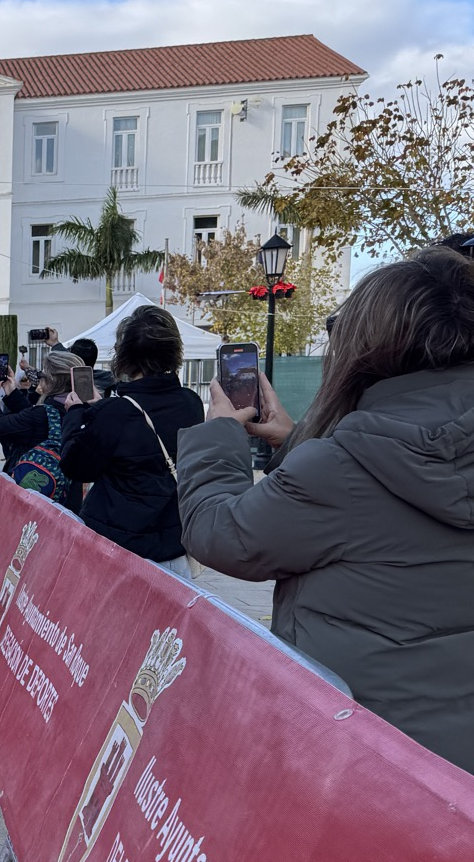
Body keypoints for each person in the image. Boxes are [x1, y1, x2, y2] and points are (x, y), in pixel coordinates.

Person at [177, 247, 474, 770]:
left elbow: (220, 532)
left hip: (368, 762)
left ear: (365, 348)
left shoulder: (339, 470)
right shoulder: (338, 466)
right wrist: (295, 444)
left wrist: (219, 431)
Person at [59, 305, 204, 574]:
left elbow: (75, 465)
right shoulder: (191, 404)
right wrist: (99, 410)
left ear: (122, 355)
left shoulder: (115, 413)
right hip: (174, 549)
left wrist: (77, 412)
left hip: (118, 554)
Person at [0, 352, 79, 507]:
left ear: (52, 380)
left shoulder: (41, 414)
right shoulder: (80, 410)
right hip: (67, 501)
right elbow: (32, 419)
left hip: (32, 504)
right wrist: (12, 392)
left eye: (42, 374)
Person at [0, 359, 46, 472]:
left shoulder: (44, 411)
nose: (39, 380)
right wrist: (12, 392)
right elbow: (28, 412)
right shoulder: (64, 407)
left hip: (30, 475)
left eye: (42, 376)